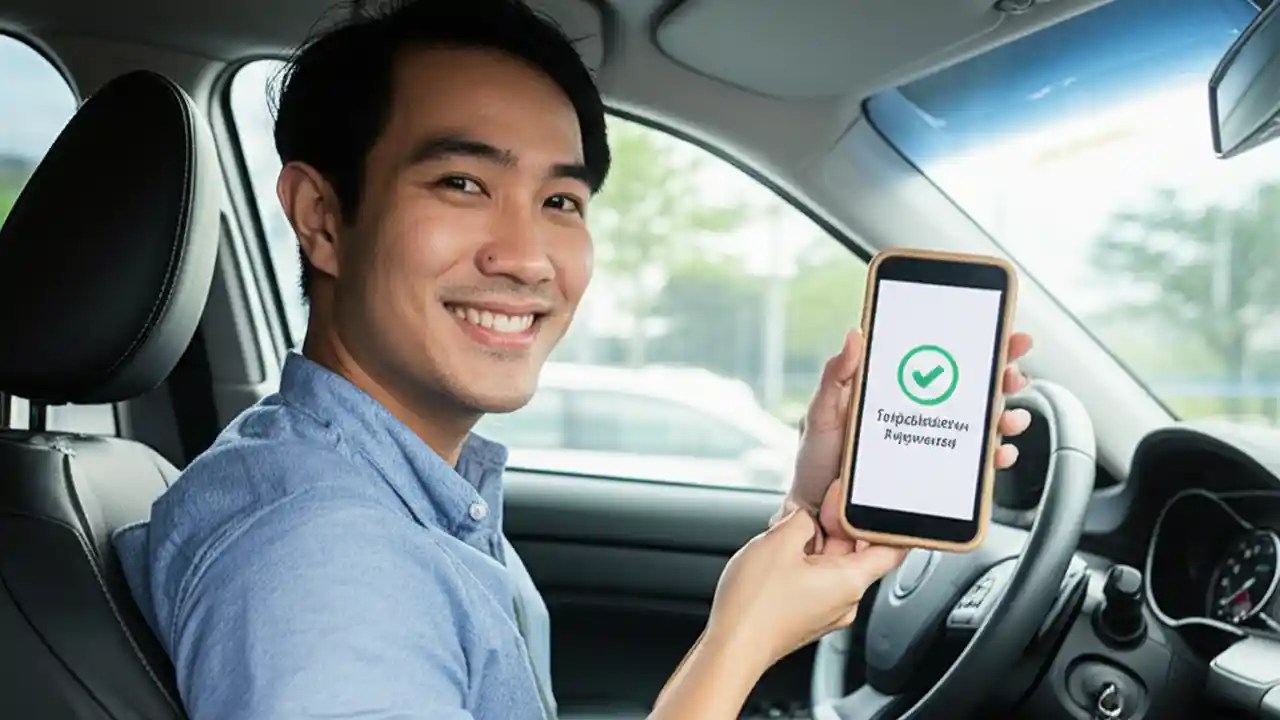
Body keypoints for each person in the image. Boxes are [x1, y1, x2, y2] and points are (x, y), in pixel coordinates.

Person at [112, 1, 1034, 718]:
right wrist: (737, 645)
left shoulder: (376, 484)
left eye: (562, 201)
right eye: (463, 183)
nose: (526, 257)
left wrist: (801, 521)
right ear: (322, 216)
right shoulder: (321, 555)